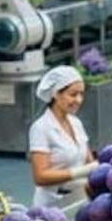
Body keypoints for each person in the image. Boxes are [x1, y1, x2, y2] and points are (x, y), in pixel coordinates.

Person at [28, 65, 96, 208]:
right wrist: (80, 172)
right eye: (73, 94)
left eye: (81, 94)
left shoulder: (76, 123)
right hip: (52, 204)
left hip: (80, 198)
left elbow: (90, 163)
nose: (78, 100)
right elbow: (40, 176)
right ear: (55, 94)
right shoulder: (41, 128)